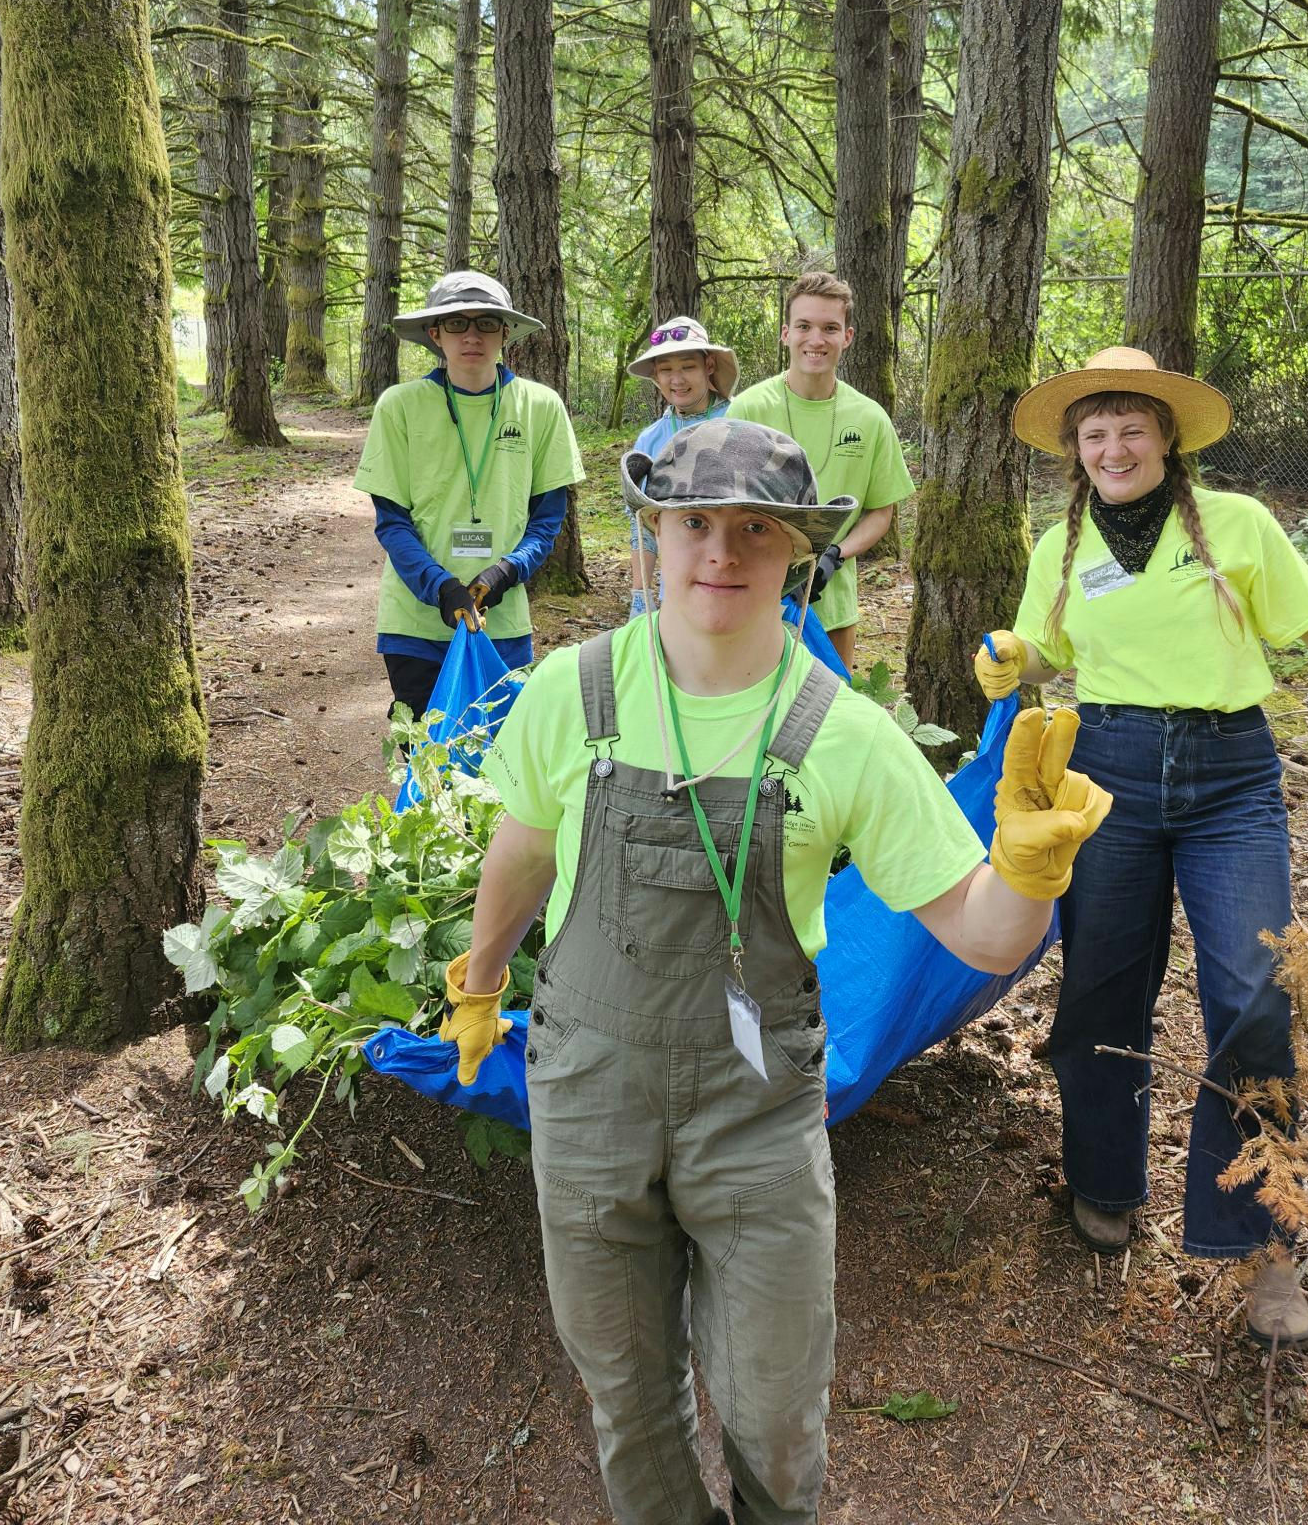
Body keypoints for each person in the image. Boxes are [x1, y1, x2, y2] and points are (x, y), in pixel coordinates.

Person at [439, 420, 1111, 1525]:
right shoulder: (572, 689)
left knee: (775, 1403)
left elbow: (987, 937)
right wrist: (483, 978)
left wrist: (1031, 866)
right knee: (625, 1386)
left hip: (755, 1112)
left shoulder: (843, 732)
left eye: (757, 527)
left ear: (800, 548)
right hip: (585, 1090)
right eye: (695, 521)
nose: (721, 550)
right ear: (653, 531)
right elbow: (521, 847)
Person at [972, 346, 1308, 1350]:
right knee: (1102, 988)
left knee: (1255, 994)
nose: (1113, 446)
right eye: (1094, 431)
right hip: (1109, 762)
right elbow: (1044, 646)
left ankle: (1266, 1242)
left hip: (1232, 775)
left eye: (1131, 427)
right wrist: (1008, 655)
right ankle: (1106, 1177)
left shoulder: (1237, 524)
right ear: (1076, 449)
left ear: (1166, 435)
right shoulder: (1059, 544)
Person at [353, 270, 585, 720]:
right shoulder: (399, 405)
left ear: (506, 332)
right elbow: (392, 521)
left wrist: (505, 572)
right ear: (435, 333)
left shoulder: (541, 405)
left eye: (486, 323)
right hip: (415, 624)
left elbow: (547, 517)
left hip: (502, 622)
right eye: (457, 323)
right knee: (426, 763)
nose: (472, 335)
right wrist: (439, 587)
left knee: (496, 757)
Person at [727, 273, 913, 671]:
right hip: (752, 597)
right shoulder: (747, 410)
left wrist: (835, 555)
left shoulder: (869, 418)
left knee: (830, 718)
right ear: (785, 333)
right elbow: (723, 505)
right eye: (804, 326)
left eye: (830, 328)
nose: (816, 339)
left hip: (832, 603)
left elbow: (880, 512)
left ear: (847, 337)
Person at [625, 314, 738, 615]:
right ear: (656, 376)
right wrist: (641, 593)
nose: (677, 380)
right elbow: (641, 522)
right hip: (677, 588)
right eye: (666, 370)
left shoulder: (739, 421)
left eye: (688, 367)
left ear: (708, 366)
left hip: (736, 577)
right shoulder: (650, 440)